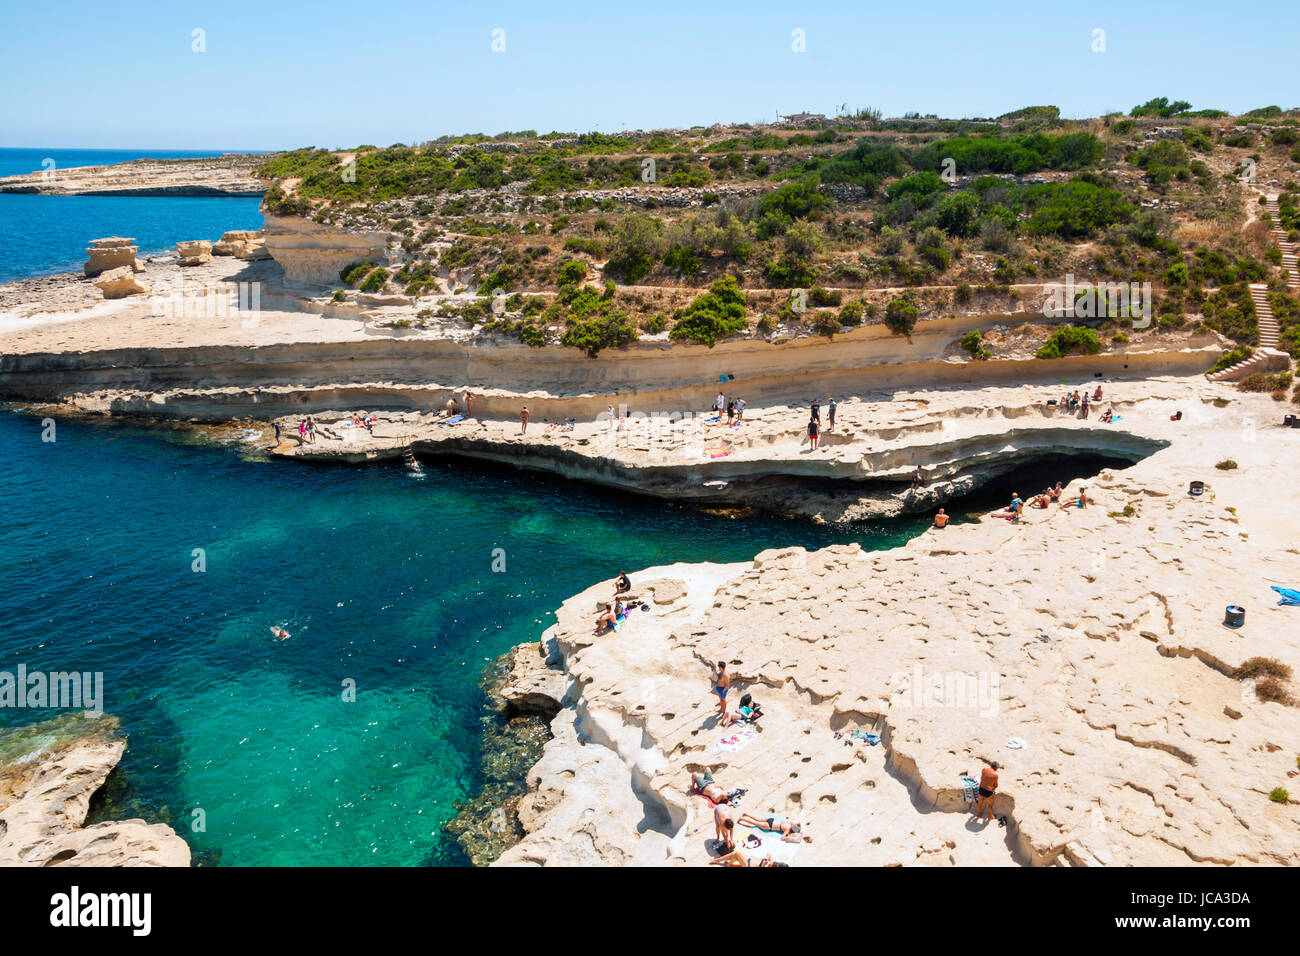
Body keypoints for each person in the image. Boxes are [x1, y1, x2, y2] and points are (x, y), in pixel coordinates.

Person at [736, 813, 811, 842]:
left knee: (757, 819)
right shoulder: (787, 830)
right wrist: (788, 837)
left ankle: (746, 815)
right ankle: (742, 819)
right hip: (770, 826)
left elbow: (800, 823)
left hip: (771, 820)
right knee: (754, 823)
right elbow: (782, 838)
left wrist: (800, 830)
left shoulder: (791, 823)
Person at [709, 848, 775, 867]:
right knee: (734, 854)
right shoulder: (771, 862)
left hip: (747, 865)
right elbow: (768, 853)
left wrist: (764, 864)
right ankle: (718, 860)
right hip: (748, 859)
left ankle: (725, 863)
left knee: (737, 853)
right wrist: (768, 859)